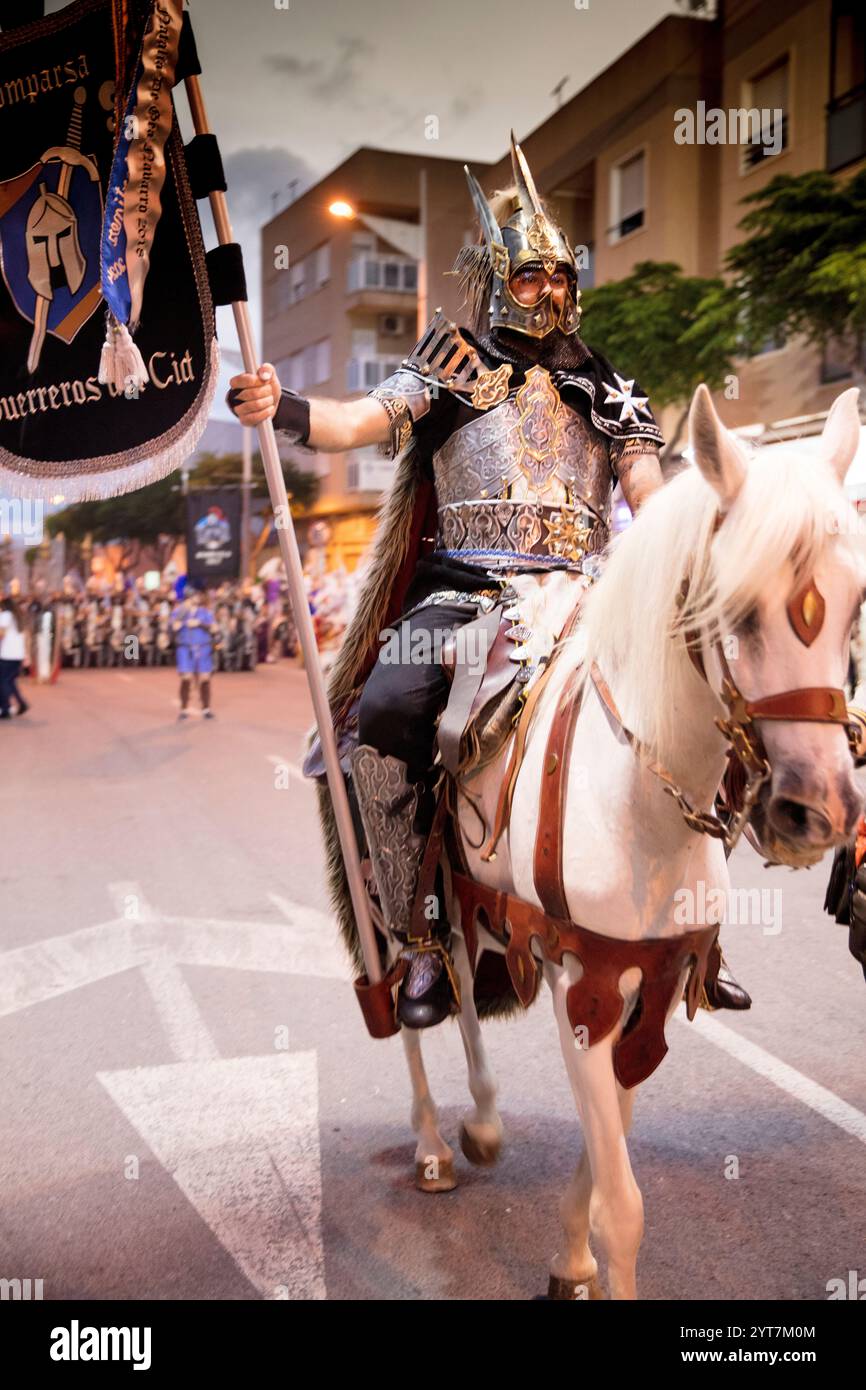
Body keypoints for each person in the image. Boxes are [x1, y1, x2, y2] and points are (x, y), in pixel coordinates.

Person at [228, 134, 749, 1026]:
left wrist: (686, 528)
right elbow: (364, 418)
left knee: (715, 698)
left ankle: (703, 928)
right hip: (464, 593)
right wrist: (288, 408)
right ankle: (421, 940)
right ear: (497, 283)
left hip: (587, 593)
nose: (550, 292)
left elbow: (643, 487)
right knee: (386, 715)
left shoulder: (606, 384)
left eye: (559, 276)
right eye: (530, 277)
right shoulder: (453, 363)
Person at [171, 584, 216, 719]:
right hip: (185, 647)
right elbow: (175, 626)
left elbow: (214, 629)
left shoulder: (204, 612)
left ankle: (206, 709)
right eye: (193, 596)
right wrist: (184, 618)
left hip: (203, 647)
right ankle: (184, 709)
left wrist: (200, 624)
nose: (196, 598)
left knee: (204, 678)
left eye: (197, 595)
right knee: (186, 678)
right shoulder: (179, 611)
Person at [0, 596, 28, 718]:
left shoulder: (6, 615)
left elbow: (1, 634)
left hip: (7, 653)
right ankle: (19, 704)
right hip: (18, 654)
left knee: (3, 681)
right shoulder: (18, 616)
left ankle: (7, 708)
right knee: (10, 681)